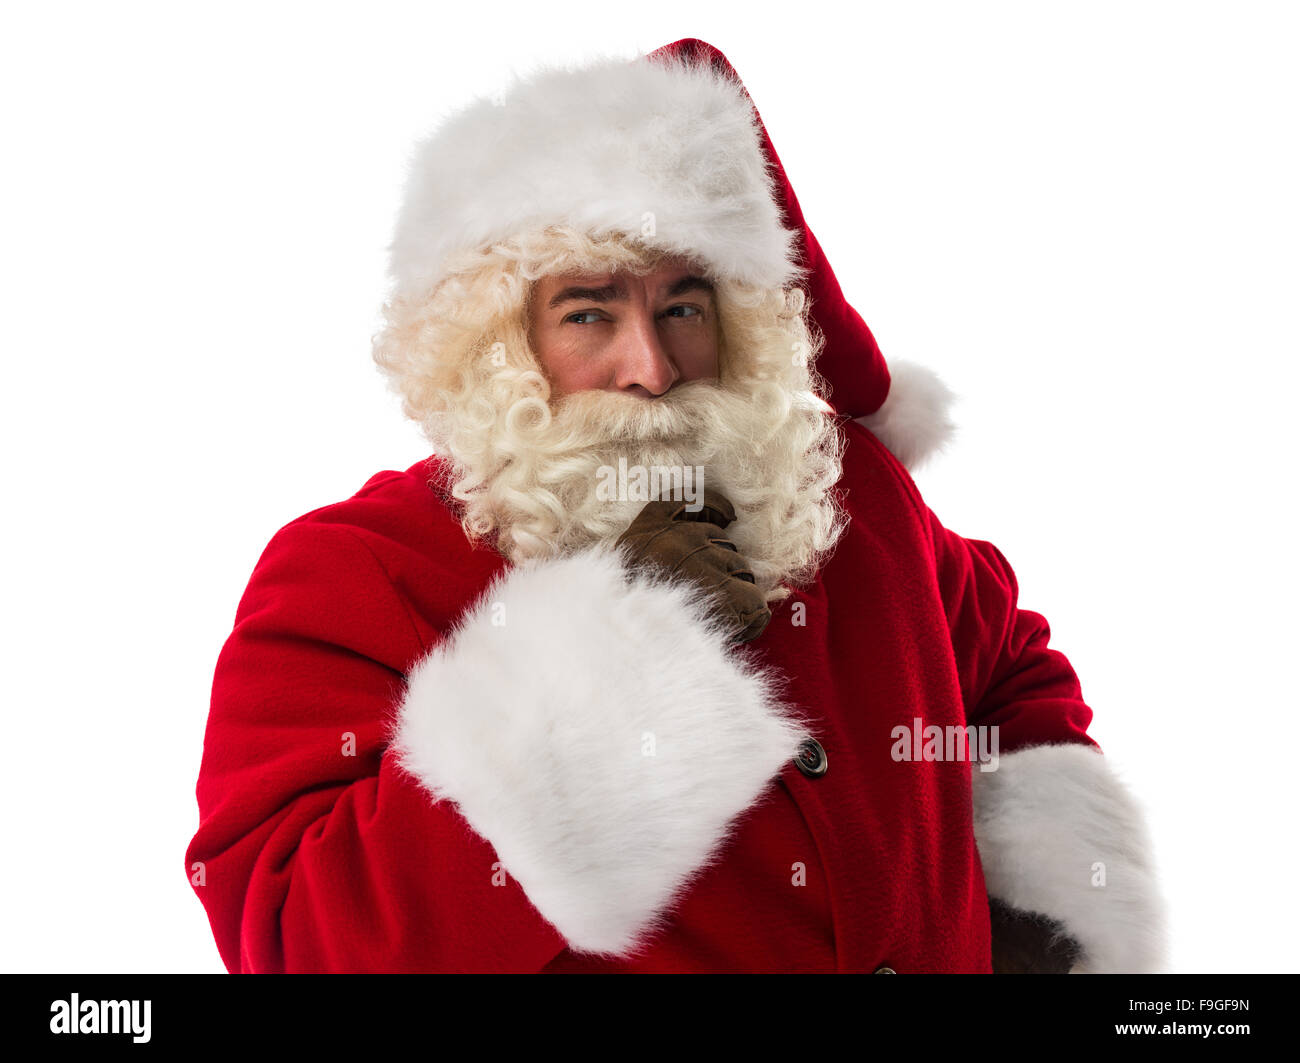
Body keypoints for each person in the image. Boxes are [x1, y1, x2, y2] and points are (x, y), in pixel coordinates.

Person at [185, 37, 1168, 974]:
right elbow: (292, 931)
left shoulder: (852, 491)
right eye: (589, 312)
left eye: (681, 306)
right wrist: (613, 659)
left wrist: (1044, 913)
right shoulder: (363, 569)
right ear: (494, 338)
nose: (649, 367)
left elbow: (1003, 671)